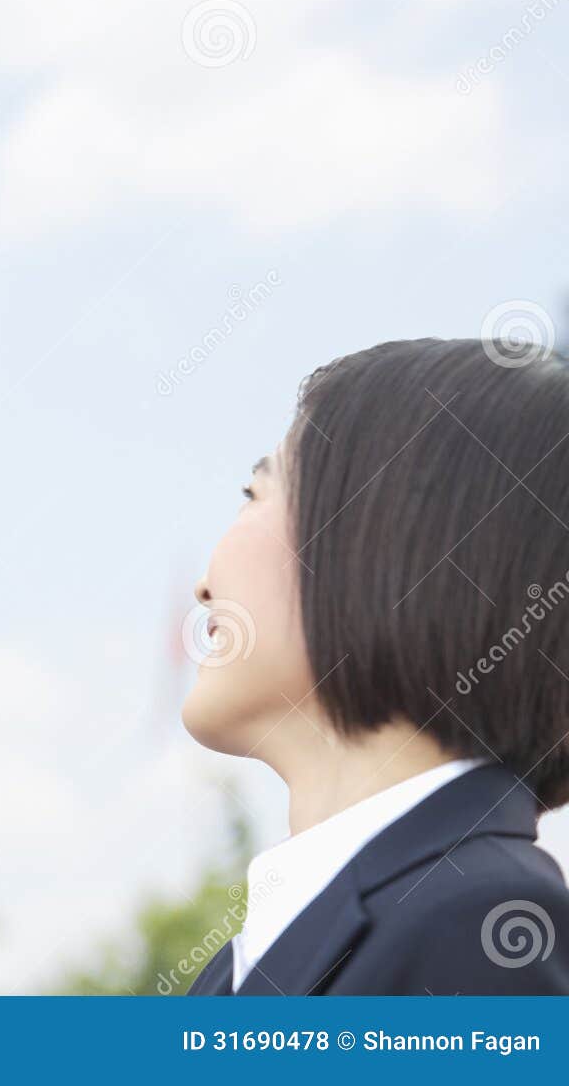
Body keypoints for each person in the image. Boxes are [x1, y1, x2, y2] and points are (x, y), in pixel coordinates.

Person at [184, 337, 569, 995]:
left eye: (255, 491)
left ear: (392, 536)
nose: (202, 587)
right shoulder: (240, 966)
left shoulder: (476, 928)